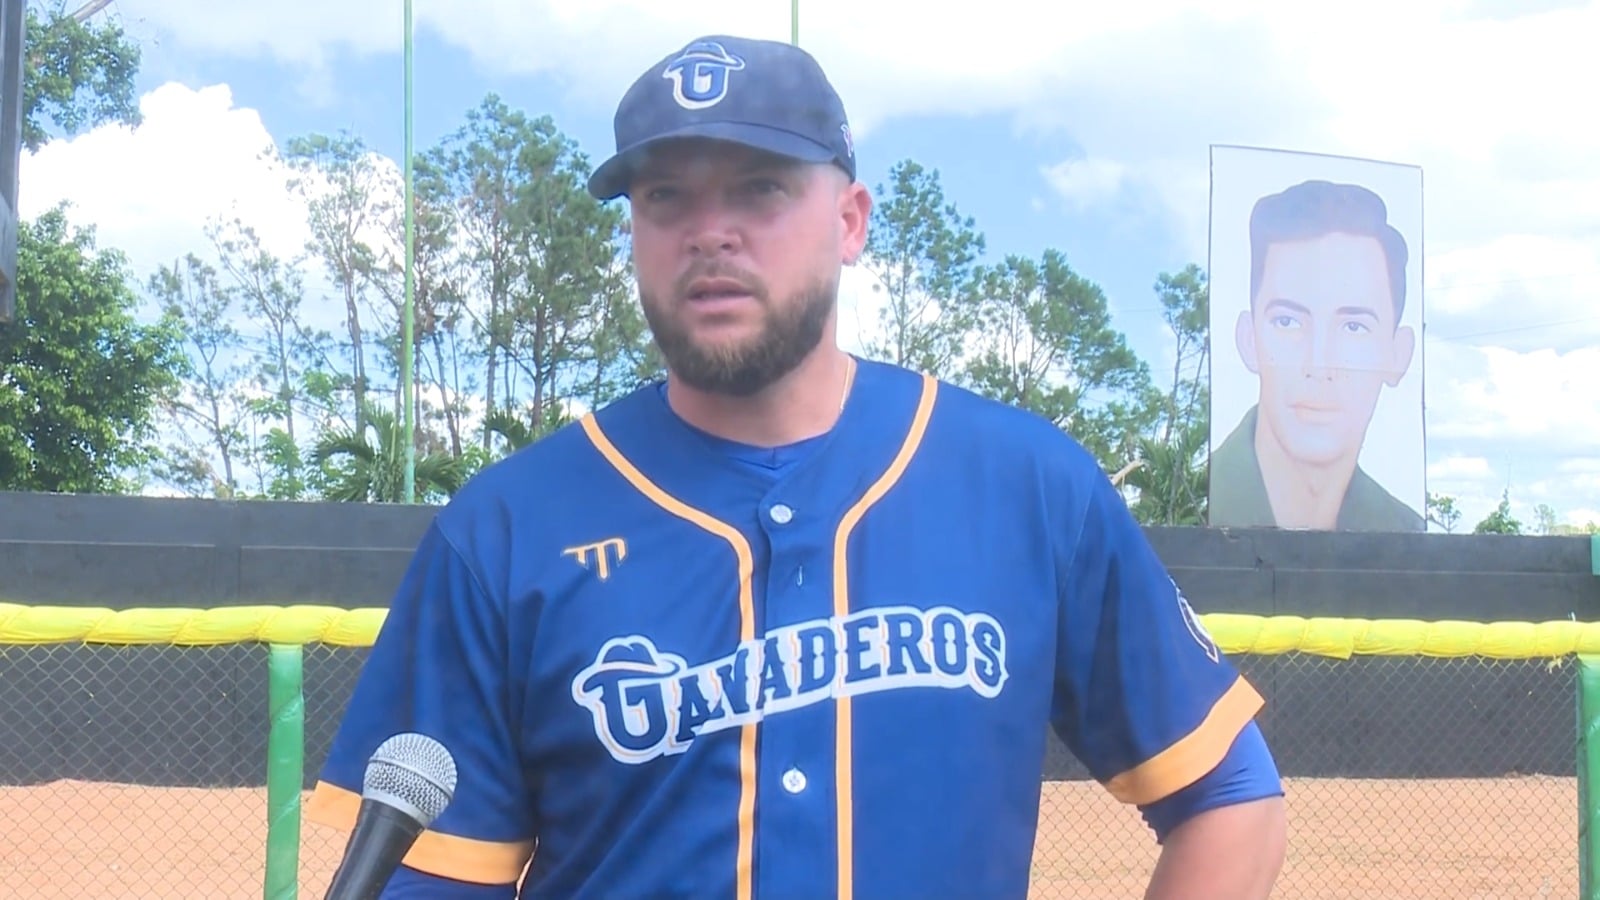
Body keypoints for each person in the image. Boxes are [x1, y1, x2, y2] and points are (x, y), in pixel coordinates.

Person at [304, 33, 1288, 899]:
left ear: (851, 220)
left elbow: (1229, 797)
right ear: (636, 235)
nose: (710, 231)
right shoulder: (503, 531)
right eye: (665, 197)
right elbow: (434, 882)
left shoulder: (1028, 487)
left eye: (760, 188)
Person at [1209, 178, 1424, 532]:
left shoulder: (1407, 534)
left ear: (1398, 356)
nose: (1320, 365)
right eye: (1288, 321)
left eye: (1354, 327)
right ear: (1248, 340)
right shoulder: (1190, 507)